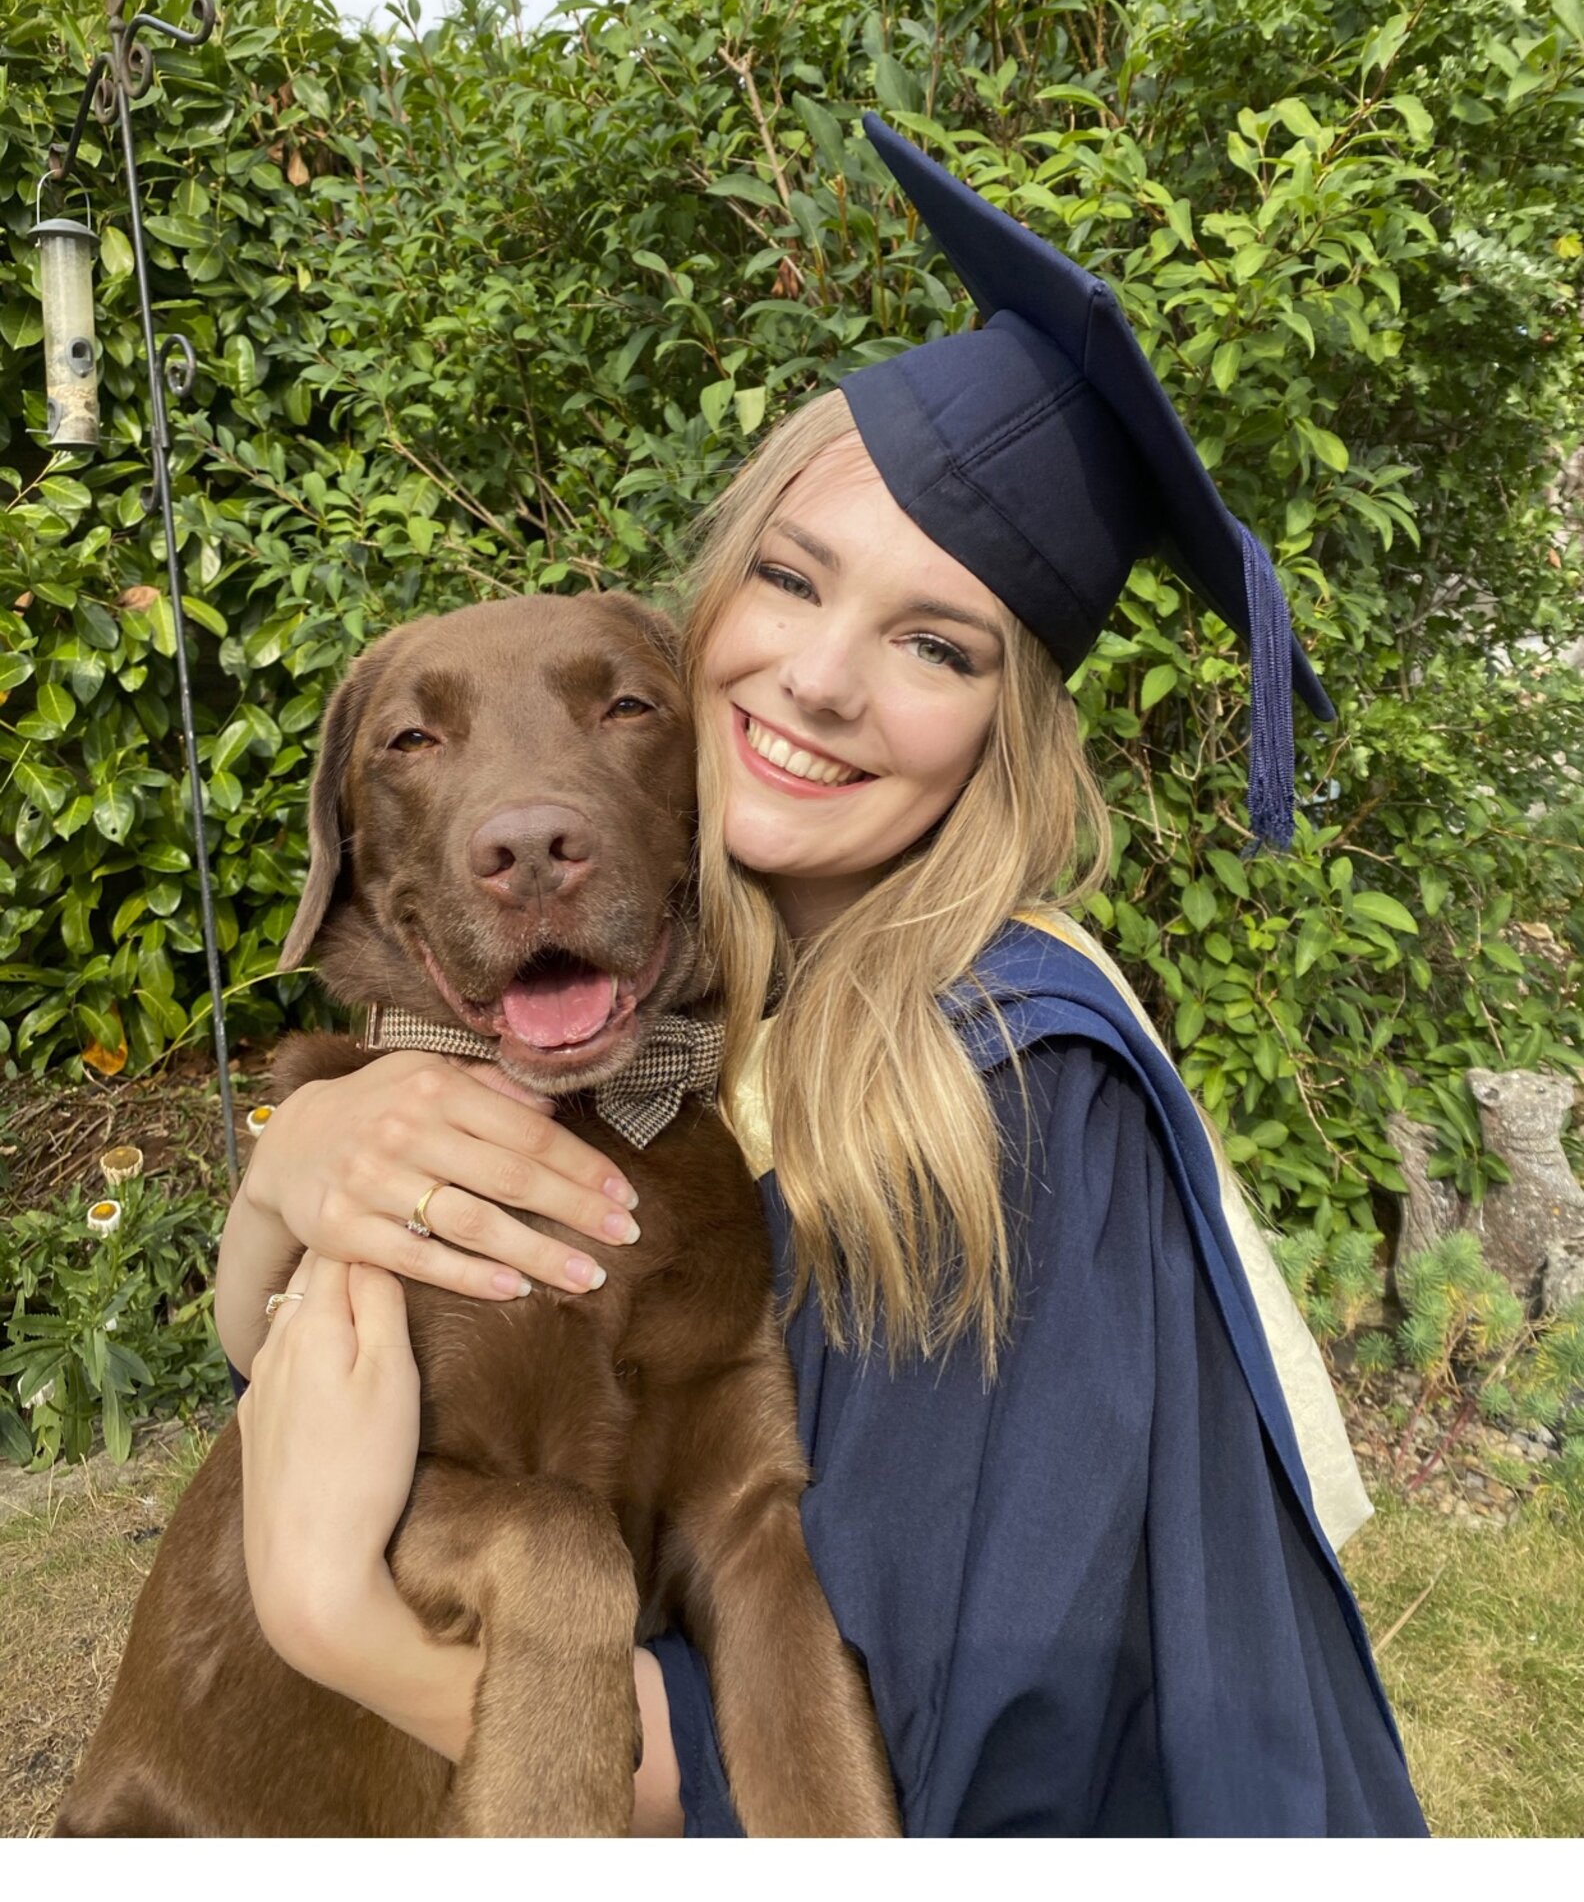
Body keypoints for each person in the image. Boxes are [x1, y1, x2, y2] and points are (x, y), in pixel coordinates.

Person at [217, 117, 1427, 1837]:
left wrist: (334, 1623)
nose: (824, 682)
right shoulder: (700, 1002)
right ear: (700, 612)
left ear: (1005, 734)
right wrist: (280, 1195)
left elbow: (957, 1764)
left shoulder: (1009, 1092)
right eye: (791, 578)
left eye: (940, 645)